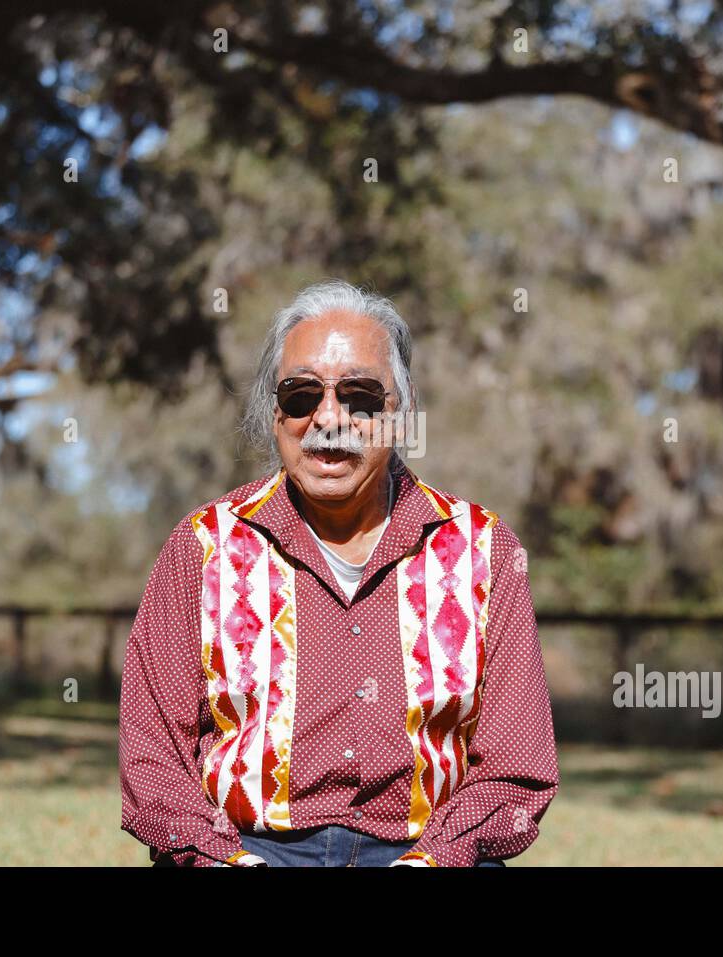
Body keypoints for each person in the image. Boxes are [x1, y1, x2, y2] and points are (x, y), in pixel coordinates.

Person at [119, 280, 559, 866]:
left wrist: (433, 861)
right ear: (274, 414)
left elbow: (516, 763)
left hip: (431, 851)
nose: (328, 417)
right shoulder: (202, 547)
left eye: (360, 395)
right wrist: (225, 861)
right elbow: (153, 762)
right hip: (245, 850)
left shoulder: (483, 549)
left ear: (397, 411)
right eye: (301, 395)